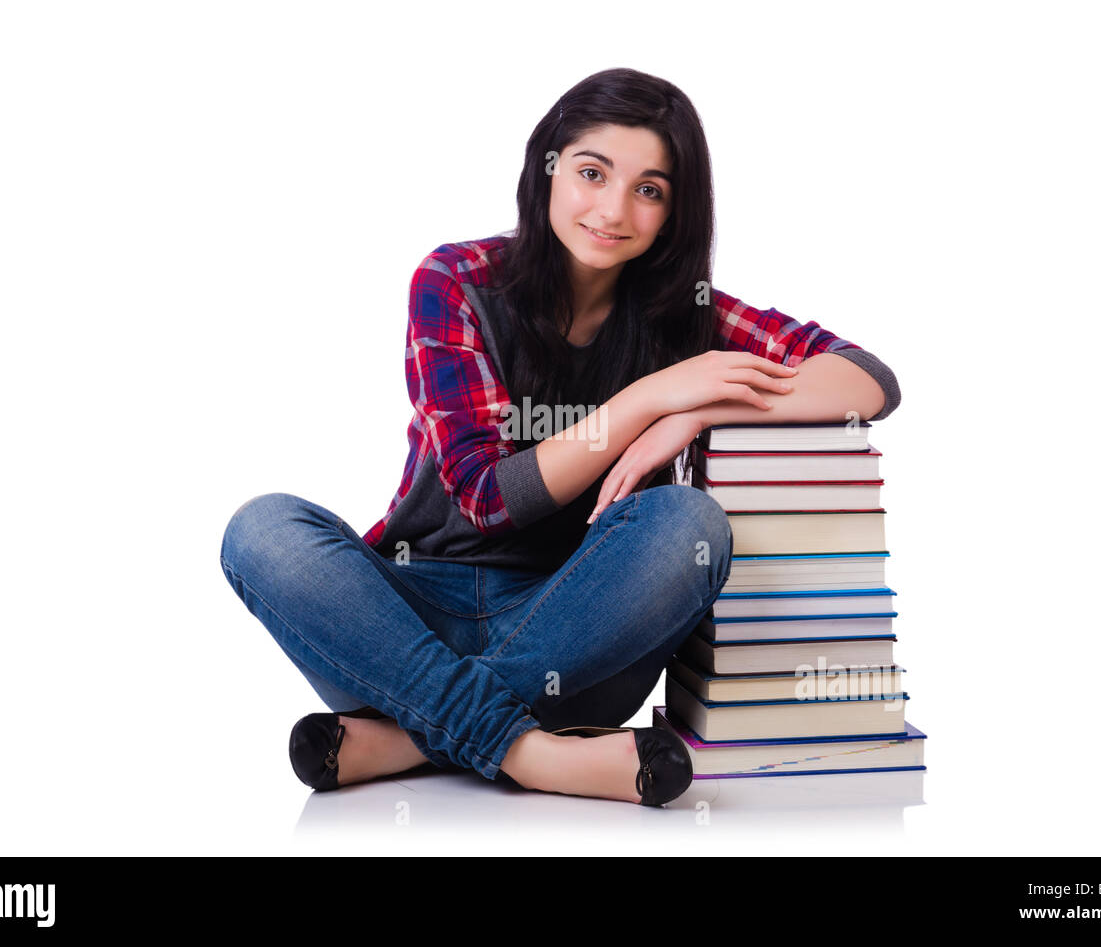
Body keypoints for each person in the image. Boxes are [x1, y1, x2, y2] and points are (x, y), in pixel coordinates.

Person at [219, 67, 901, 806]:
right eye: (591, 172)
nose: (613, 209)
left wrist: (696, 411)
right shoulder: (456, 282)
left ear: (675, 212)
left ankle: (410, 735)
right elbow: (487, 497)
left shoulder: (684, 314)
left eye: (649, 189)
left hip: (575, 634)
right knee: (263, 530)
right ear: (545, 168)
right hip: (408, 619)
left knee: (688, 525)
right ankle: (535, 754)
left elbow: (867, 377)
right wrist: (649, 397)